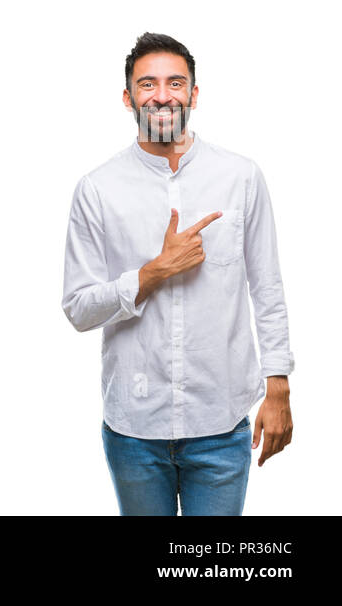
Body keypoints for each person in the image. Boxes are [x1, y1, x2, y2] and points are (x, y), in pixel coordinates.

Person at [62, 33, 294, 515]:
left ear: (193, 93)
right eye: (147, 84)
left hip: (222, 424)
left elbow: (267, 287)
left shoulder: (241, 177)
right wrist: (152, 273)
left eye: (175, 82)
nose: (162, 94)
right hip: (135, 431)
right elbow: (79, 309)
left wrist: (279, 387)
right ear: (128, 98)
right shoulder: (97, 189)